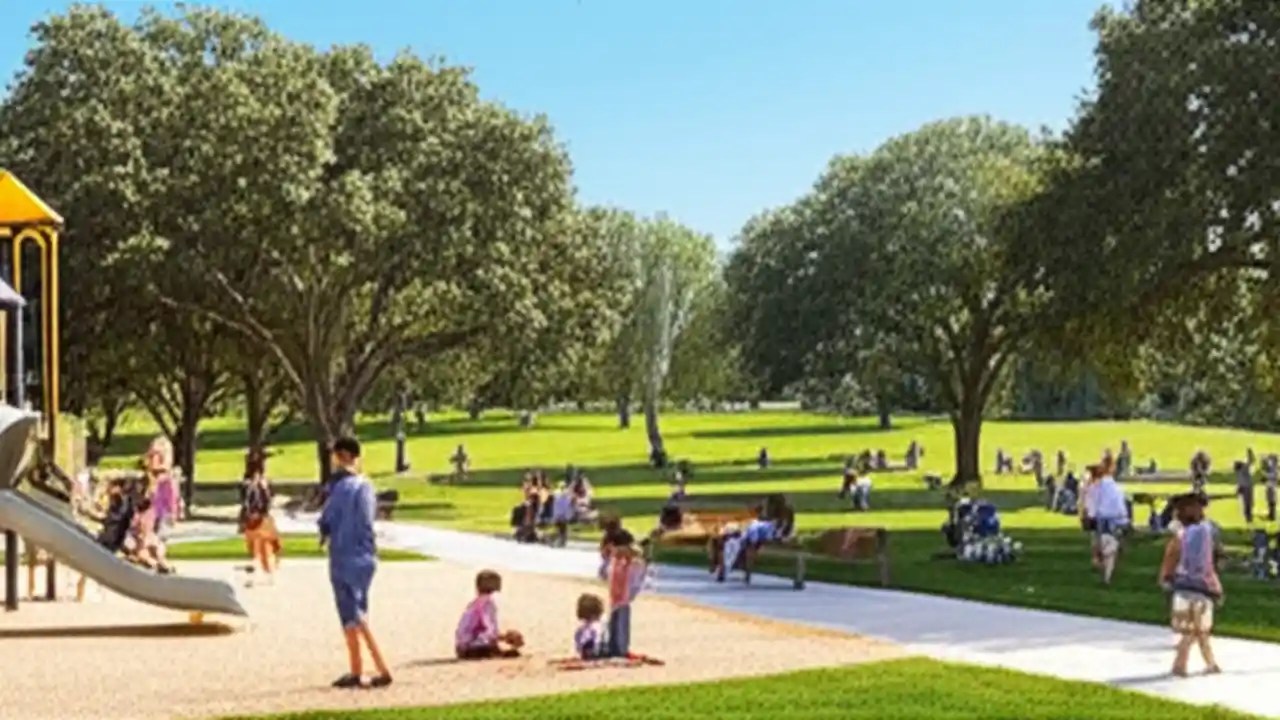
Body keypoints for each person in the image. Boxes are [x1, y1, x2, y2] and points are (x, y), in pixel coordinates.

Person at [318, 437, 392, 689]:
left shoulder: (339, 487)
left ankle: (379, 667)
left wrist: (324, 531)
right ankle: (356, 668)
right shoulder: (366, 486)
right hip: (366, 555)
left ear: (342, 455)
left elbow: (328, 518)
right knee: (357, 609)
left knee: (352, 613)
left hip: (343, 553)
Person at [1159, 493, 1223, 677]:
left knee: (1198, 631)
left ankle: (1211, 664)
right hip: (1199, 588)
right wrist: (1215, 585)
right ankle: (1179, 665)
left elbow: (1170, 559)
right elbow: (1209, 564)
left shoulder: (1180, 535)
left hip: (1182, 587)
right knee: (1196, 630)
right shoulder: (1205, 532)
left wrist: (1165, 578)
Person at [455, 570, 523, 659]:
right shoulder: (486, 604)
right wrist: (506, 637)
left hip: (461, 648)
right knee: (512, 654)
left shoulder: (475, 603)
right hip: (471, 648)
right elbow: (488, 631)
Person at [606, 534, 646, 658]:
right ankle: (614, 647)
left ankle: (621, 648)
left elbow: (637, 579)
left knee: (621, 619)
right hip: (616, 598)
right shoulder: (616, 562)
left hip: (623, 598)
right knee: (614, 620)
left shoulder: (634, 564)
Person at [242, 456, 279, 587]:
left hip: (259, 519)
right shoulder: (253, 486)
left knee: (261, 548)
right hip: (258, 519)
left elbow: (265, 502)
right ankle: (265, 573)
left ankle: (265, 573)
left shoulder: (257, 485)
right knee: (260, 548)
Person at [1091, 459, 1129, 585]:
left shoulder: (1099, 485)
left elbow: (1094, 502)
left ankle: (1103, 569)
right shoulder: (1116, 487)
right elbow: (1121, 504)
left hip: (1103, 517)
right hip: (1116, 517)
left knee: (1103, 546)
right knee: (1112, 548)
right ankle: (1107, 574)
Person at [574, 593, 607, 660]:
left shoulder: (597, 625)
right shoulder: (584, 627)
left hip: (598, 650)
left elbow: (598, 639)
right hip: (595, 649)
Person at [1235, 460, 1255, 525]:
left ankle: (1249, 518)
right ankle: (1248, 518)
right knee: (1247, 504)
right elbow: (1240, 482)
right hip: (1245, 487)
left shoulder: (1243, 469)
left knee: (1248, 504)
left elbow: (1251, 461)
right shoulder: (1239, 472)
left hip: (1247, 488)